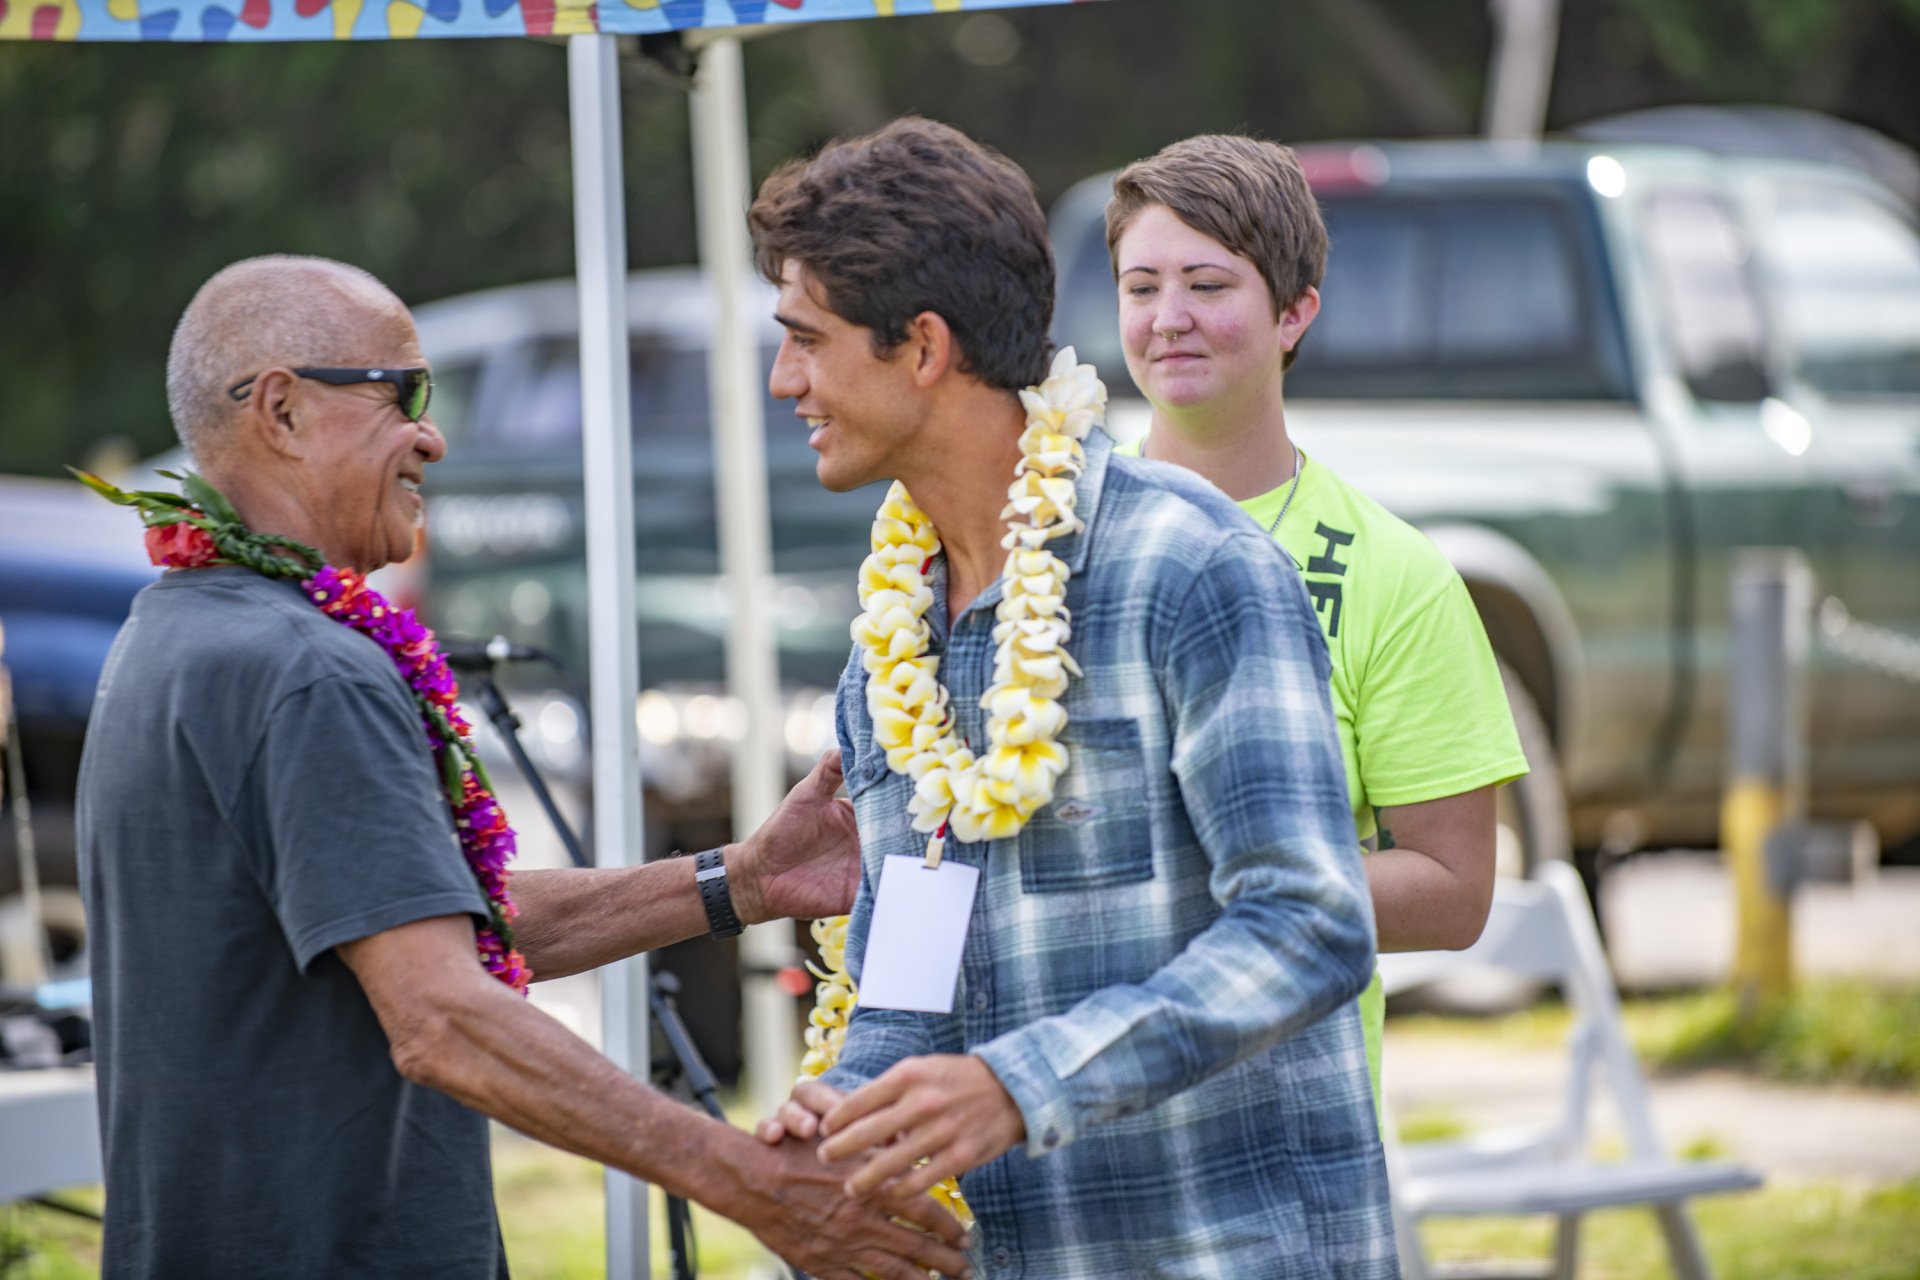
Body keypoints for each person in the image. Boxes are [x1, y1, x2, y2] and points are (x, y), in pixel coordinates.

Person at [74, 255, 969, 1280]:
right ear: (282, 409)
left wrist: (747, 877)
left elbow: (423, 927)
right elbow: (441, 1015)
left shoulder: (177, 630)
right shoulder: (306, 670)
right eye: (403, 395)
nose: (433, 437)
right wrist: (755, 1182)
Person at [750, 119, 1397, 1277]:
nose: (783, 380)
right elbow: (907, 978)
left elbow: (1312, 924)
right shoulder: (892, 638)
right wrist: (841, 1115)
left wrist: (1018, 1084)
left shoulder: (1192, 568)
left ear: (924, 346)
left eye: (806, 339)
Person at [1104, 134, 1531, 1099]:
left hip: (1287, 1120)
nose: (1168, 319)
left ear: (1295, 313)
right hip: (1066, 1120)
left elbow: (1455, 892)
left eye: (1208, 285)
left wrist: (1191, 893)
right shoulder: (1051, 533)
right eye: (1141, 287)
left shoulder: (1397, 574)